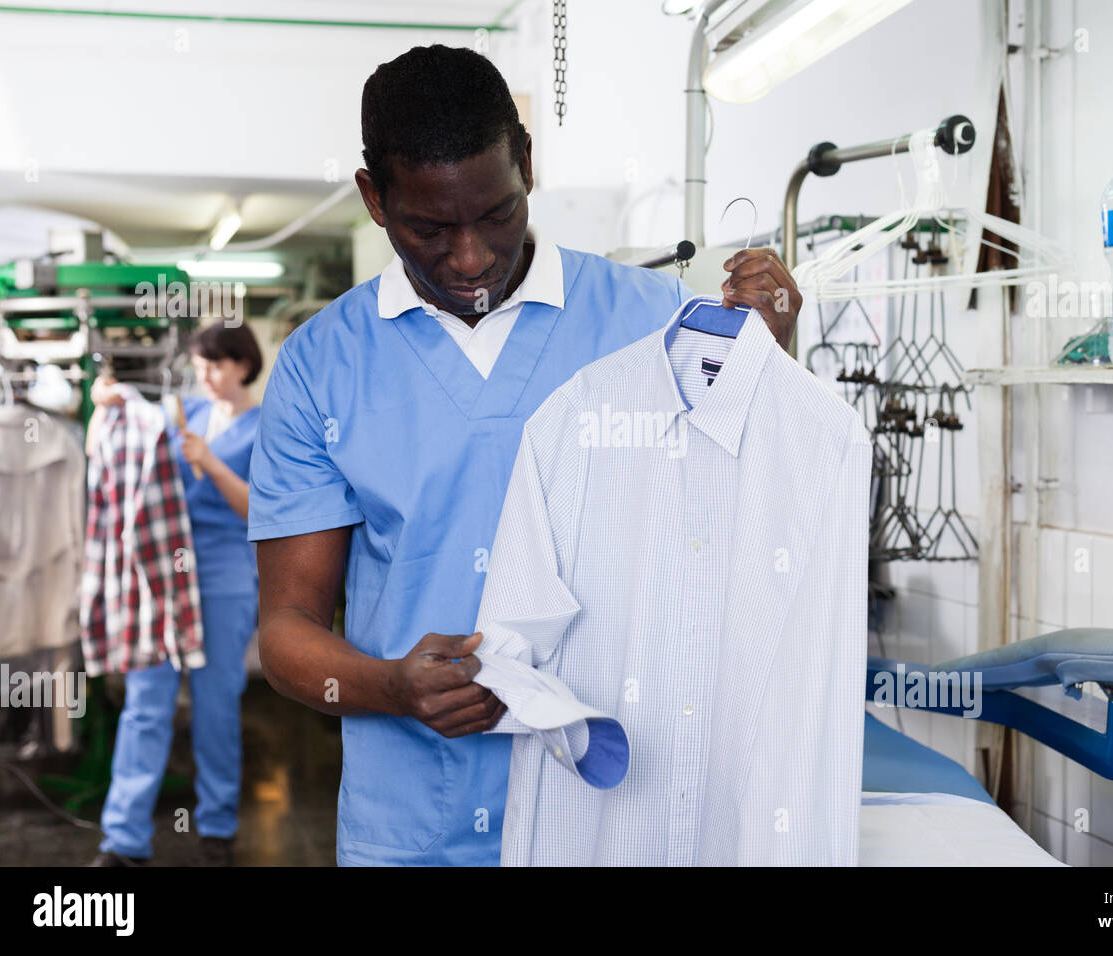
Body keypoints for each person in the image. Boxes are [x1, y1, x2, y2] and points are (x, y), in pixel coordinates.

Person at [249, 44, 803, 866]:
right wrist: (393, 688)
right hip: (417, 827)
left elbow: (760, 509)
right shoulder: (321, 367)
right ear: (374, 198)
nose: (470, 259)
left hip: (624, 810)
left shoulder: (654, 322)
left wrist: (774, 360)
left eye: (497, 213)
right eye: (429, 227)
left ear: (528, 165)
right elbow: (286, 633)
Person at [88, 322, 263, 867]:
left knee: (215, 709)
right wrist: (107, 401)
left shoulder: (268, 428)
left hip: (224, 575)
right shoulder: (181, 413)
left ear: (243, 364)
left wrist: (209, 462)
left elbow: (264, 513)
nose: (205, 376)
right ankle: (125, 840)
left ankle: (216, 831)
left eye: (216, 364)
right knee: (145, 703)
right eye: (199, 365)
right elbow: (116, 436)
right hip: (164, 576)